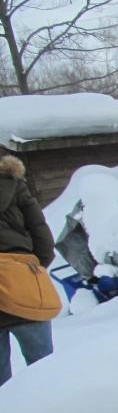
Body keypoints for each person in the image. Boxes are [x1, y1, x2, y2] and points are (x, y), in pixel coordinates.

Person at [0, 153, 56, 386]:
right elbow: (41, 235)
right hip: (23, 278)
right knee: (45, 368)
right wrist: (32, 267)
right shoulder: (13, 184)